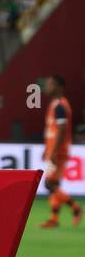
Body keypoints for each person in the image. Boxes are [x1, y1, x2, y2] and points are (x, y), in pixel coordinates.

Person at [40, 73, 81, 228]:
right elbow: (53, 130)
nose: (47, 87)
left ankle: (75, 208)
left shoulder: (60, 106)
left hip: (59, 151)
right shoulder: (54, 104)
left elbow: (62, 129)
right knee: (53, 184)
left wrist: (54, 151)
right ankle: (54, 219)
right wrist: (47, 148)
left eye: (50, 84)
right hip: (53, 149)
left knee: (49, 184)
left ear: (59, 87)